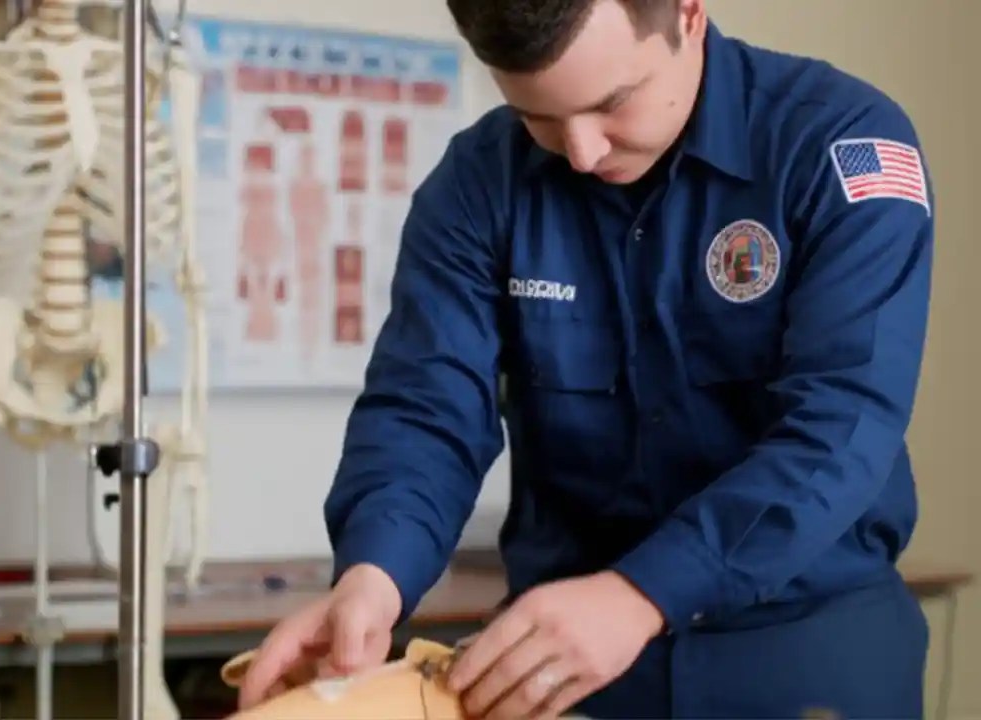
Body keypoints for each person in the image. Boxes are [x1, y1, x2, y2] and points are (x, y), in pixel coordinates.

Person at [239, 0, 936, 717]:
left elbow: (842, 428)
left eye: (613, 105)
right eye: (538, 117)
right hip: (560, 667)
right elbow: (426, 410)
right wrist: (372, 579)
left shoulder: (837, 146)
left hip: (803, 645)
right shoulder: (476, 185)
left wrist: (642, 594)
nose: (581, 153)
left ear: (688, 12)